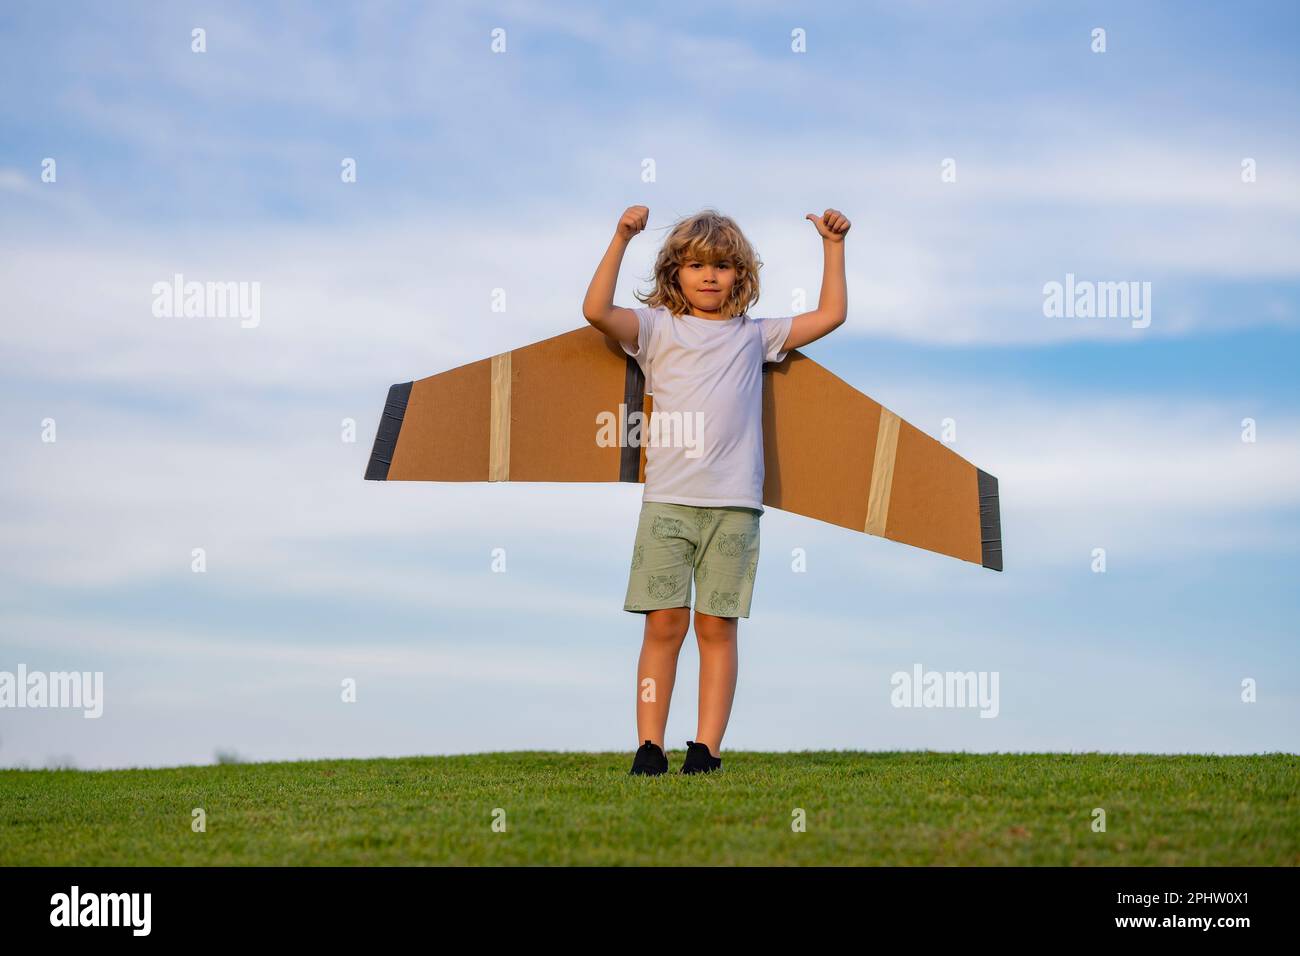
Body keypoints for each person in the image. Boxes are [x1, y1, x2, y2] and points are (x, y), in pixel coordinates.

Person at [582, 204, 850, 775]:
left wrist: (832, 246)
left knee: (716, 629)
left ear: (742, 276)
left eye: (724, 265)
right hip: (668, 504)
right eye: (697, 264)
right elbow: (596, 311)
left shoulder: (756, 336)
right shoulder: (657, 328)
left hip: (734, 509)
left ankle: (706, 751)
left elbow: (830, 315)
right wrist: (621, 236)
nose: (710, 275)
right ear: (674, 273)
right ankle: (649, 747)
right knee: (663, 625)